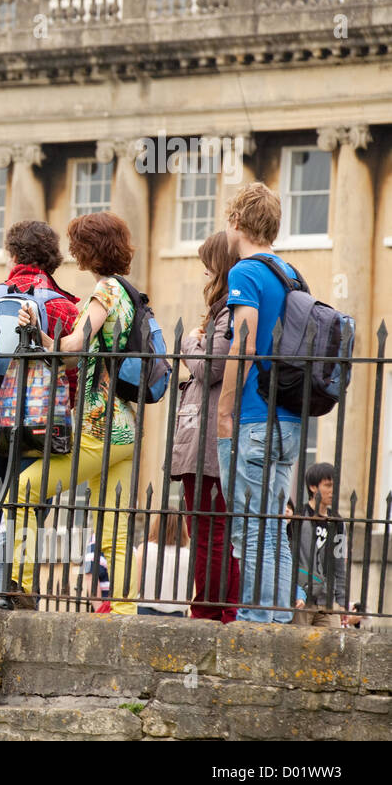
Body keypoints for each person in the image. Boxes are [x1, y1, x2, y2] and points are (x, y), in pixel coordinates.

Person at [15, 212, 142, 615]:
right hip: (125, 428)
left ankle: (23, 585)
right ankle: (123, 611)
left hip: (96, 427)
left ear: (90, 249)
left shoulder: (105, 291)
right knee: (115, 530)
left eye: (77, 246)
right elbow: (79, 354)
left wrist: (39, 331)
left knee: (22, 491)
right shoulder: (129, 292)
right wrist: (47, 338)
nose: (72, 253)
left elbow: (74, 346)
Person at [0, 221, 79, 597]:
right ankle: (4, 597)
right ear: (53, 260)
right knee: (23, 519)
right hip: (37, 431)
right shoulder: (65, 308)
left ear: (12, 255)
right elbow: (71, 378)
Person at [216, 183, 302, 623]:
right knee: (273, 530)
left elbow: (243, 342)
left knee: (250, 531)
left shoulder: (245, 271)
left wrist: (225, 409)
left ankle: (253, 623)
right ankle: (279, 622)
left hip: (253, 416)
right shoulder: (291, 273)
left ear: (236, 221)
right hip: (289, 418)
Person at [170, 232, 240, 623]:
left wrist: (188, 344)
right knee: (215, 534)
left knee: (208, 534)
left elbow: (211, 368)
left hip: (208, 441)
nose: (205, 273)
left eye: (209, 265)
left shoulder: (227, 311)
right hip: (208, 436)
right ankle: (222, 610)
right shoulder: (226, 311)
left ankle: (208, 612)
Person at [290, 463, 350, 628]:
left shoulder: (338, 522)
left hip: (327, 601)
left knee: (334, 647)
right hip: (301, 597)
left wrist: (342, 601)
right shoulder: (298, 517)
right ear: (313, 487)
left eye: (335, 485)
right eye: (328, 485)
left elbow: (339, 565)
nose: (333, 490)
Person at [135, 505, 191, 617]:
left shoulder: (145, 548)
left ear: (157, 525)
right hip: (177, 614)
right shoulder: (187, 554)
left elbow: (137, 585)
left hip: (145, 610)